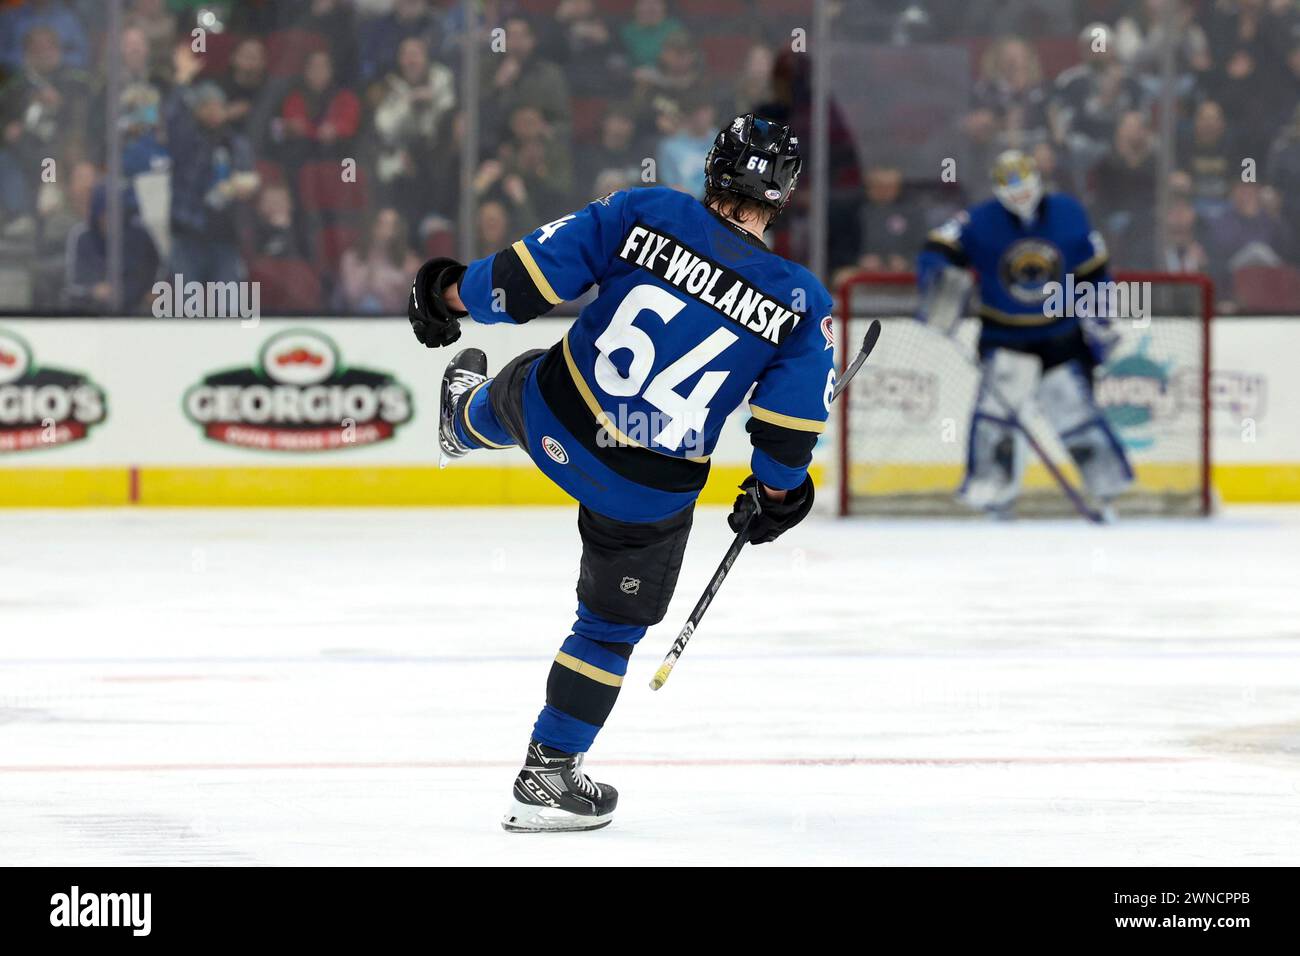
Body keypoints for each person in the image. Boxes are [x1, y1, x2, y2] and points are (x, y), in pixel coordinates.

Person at [406, 115, 832, 831]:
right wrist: (776, 497)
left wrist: (449, 296)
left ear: (713, 167)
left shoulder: (646, 210)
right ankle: (547, 776)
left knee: (520, 385)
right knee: (606, 628)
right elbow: (787, 435)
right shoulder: (800, 302)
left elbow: (524, 281)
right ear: (783, 193)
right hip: (643, 491)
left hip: (555, 418)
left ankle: (465, 420)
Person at [916, 149, 1132, 517]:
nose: (1020, 196)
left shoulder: (1069, 212)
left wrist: (1101, 316)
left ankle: (1107, 488)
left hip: (1061, 334)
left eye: (1025, 186)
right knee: (996, 419)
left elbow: (1094, 269)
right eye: (1010, 189)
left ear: (1038, 180)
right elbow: (937, 247)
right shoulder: (979, 220)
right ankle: (993, 494)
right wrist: (940, 287)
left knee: (1074, 413)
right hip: (1004, 336)